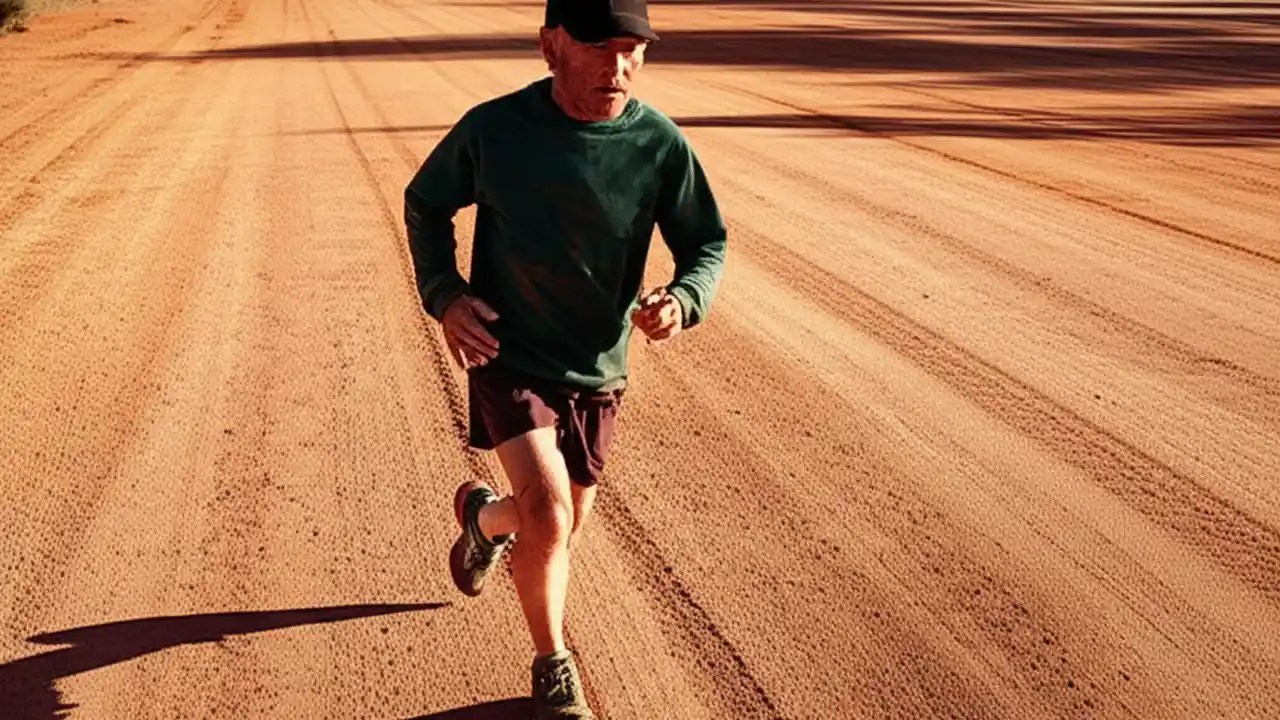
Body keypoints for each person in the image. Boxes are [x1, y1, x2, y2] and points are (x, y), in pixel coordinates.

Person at [403, 0, 727, 716]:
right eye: (598, 48)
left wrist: (683, 298)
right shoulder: (497, 129)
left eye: (631, 48)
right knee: (549, 515)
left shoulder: (658, 145)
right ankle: (553, 664)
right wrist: (446, 295)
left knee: (559, 521)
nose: (618, 66)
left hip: (597, 365)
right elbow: (426, 203)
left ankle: (484, 522)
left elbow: (706, 242)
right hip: (508, 350)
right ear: (551, 47)